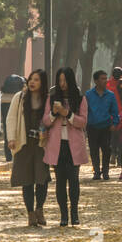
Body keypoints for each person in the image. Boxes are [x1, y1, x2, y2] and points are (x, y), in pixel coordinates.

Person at [43, 67, 88, 227]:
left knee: (74, 180)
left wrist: (67, 113)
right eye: (59, 80)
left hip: (74, 145)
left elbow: (82, 122)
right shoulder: (52, 98)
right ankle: (64, 216)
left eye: (65, 80)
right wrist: (55, 113)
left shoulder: (80, 99)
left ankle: (74, 213)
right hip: (57, 145)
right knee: (60, 181)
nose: (62, 84)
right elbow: (46, 122)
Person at [6, 70, 51, 226]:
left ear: (42, 82)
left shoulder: (47, 99)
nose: (32, 82)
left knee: (42, 179)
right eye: (31, 79)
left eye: (36, 80)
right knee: (27, 181)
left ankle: (40, 209)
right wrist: (11, 138)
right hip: (24, 143)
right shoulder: (19, 98)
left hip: (41, 145)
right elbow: (11, 118)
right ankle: (30, 213)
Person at [84, 70, 119, 180]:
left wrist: (115, 123)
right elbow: (85, 111)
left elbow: (115, 111)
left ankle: (105, 171)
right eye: (102, 78)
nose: (105, 81)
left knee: (106, 150)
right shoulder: (88, 95)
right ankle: (96, 171)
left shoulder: (110, 95)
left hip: (106, 127)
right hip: (92, 127)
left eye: (106, 78)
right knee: (94, 150)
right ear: (96, 81)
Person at [0, 74, 25, 163]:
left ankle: (8, 157)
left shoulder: (4, 93)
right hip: (14, 104)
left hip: (4, 103)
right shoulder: (19, 95)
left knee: (7, 132)